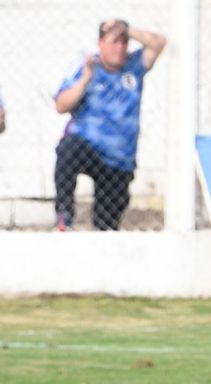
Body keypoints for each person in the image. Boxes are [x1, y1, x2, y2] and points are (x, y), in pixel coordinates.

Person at [53, 18, 167, 231]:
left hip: (119, 161)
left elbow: (159, 43)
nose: (120, 48)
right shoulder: (87, 67)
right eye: (114, 41)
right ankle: (64, 218)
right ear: (100, 43)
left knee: (106, 228)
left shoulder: (134, 66)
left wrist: (127, 29)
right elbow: (61, 105)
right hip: (89, 148)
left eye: (124, 42)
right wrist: (85, 80)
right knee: (68, 149)